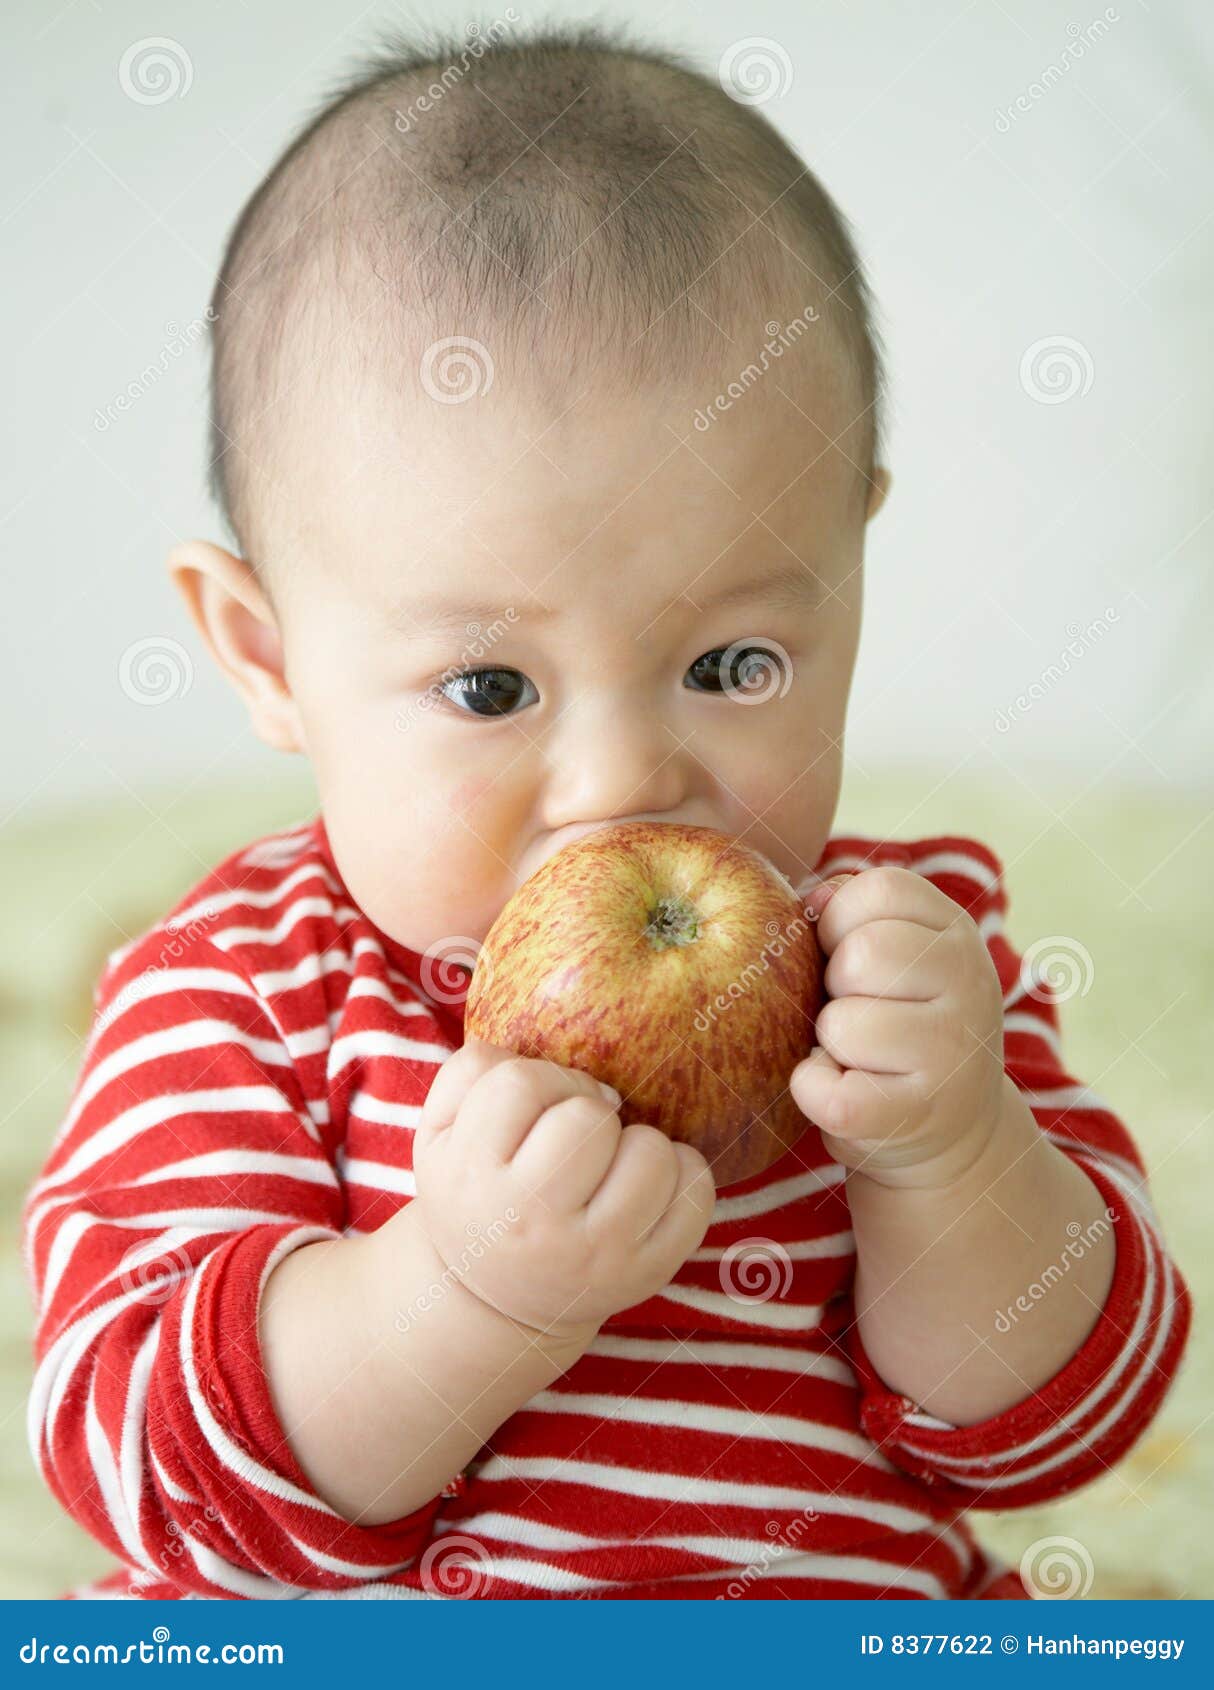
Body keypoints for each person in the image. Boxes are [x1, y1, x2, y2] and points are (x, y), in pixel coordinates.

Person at [21, 22, 1190, 1600]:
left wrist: (952, 1154)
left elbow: (1062, 1429)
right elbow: (139, 1461)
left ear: (850, 575)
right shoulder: (238, 987)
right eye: (490, 689)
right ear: (268, 655)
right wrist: (457, 1293)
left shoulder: (904, 969)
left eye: (730, 660)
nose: (627, 783)